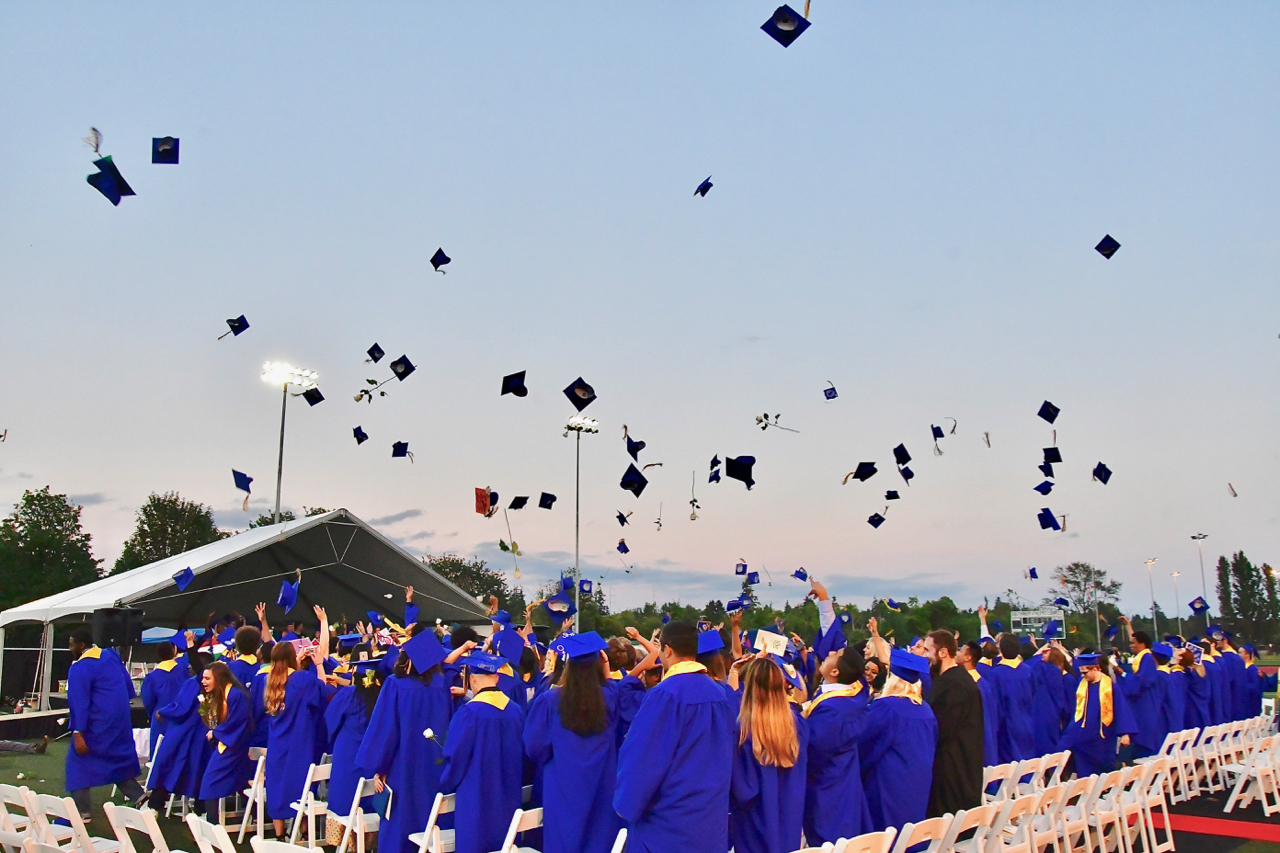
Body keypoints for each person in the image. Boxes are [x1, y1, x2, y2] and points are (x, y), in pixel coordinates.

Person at [614, 620, 735, 853]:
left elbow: (643, 760)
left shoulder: (665, 695)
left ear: (667, 650)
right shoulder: (720, 694)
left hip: (668, 827)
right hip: (710, 822)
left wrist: (626, 805)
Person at [356, 630, 472, 853]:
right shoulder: (440, 683)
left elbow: (386, 729)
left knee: (402, 820)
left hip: (404, 765)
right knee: (433, 815)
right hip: (435, 764)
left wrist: (379, 767)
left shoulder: (396, 684)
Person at [524, 632, 621, 853]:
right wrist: (605, 669)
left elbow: (534, 747)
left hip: (562, 785)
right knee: (599, 841)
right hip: (602, 785)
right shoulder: (611, 697)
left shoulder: (550, 700)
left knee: (563, 841)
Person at [440, 652, 525, 853]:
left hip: (476, 796)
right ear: (496, 678)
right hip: (509, 794)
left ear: (472, 680)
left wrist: (444, 781)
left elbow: (455, 756)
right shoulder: (516, 711)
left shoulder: (470, 713)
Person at [730, 656, 808, 853]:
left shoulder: (744, 730)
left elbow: (742, 789)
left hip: (754, 823)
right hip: (789, 818)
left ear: (750, 688)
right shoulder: (796, 725)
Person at [856, 647, 938, 831]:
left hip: (889, 784)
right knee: (910, 834)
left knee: (887, 835)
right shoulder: (925, 709)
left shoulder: (886, 707)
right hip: (918, 784)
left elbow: (864, 744)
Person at [65, 628, 143, 818]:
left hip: (96, 723)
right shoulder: (110, 655)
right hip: (119, 721)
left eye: (71, 644)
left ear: (82, 646)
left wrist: (78, 732)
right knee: (116, 760)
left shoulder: (80, 668)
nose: (70, 648)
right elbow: (128, 687)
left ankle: (82, 812)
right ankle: (141, 798)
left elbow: (80, 703)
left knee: (78, 765)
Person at [803, 644, 871, 846]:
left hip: (827, 787)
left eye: (836, 655)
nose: (830, 653)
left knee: (829, 842)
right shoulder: (855, 696)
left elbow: (813, 753)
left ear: (835, 672)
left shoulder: (833, 711)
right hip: (845, 780)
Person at [264, 642, 331, 837]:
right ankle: (304, 832)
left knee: (277, 787)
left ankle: (279, 835)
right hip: (299, 743)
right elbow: (323, 691)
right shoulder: (303, 679)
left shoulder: (270, 681)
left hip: (277, 745)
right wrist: (318, 664)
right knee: (301, 786)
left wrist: (298, 664)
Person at [923, 629, 983, 817]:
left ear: (942, 652)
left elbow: (942, 729)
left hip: (954, 770)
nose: (925, 656)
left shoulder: (954, 684)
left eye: (927, 650)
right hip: (958, 765)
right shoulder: (954, 679)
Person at [146, 651, 214, 808]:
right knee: (199, 768)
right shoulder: (215, 686)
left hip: (183, 731)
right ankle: (200, 807)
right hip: (202, 732)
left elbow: (181, 707)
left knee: (166, 766)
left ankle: (155, 805)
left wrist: (162, 711)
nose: (189, 667)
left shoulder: (193, 683)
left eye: (192, 665)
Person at [324, 662, 381, 843]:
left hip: (347, 754)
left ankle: (345, 842)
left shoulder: (348, 695)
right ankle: (370, 842)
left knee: (345, 798)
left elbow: (330, 720)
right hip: (373, 755)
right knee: (369, 798)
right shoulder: (382, 696)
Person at [1057, 654, 1138, 776]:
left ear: (1095, 669)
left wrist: (1125, 733)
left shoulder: (1110, 687)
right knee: (1081, 764)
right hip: (1083, 733)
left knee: (1104, 767)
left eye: (1085, 673)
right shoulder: (1082, 685)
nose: (1083, 676)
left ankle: (1105, 790)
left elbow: (1121, 708)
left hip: (1103, 734)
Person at [197, 660, 255, 815]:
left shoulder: (236, 695)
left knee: (210, 783)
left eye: (207, 679)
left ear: (219, 679)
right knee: (240, 782)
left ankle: (213, 826)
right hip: (227, 743)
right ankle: (260, 814)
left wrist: (216, 732)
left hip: (233, 746)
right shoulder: (220, 694)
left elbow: (237, 722)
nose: (203, 682)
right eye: (203, 678)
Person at [1115, 621, 1162, 758]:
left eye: (1133, 643)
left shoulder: (1147, 658)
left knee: (1144, 740)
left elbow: (1141, 681)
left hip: (1145, 705)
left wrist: (1122, 674)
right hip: (1142, 704)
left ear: (1142, 644)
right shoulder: (1141, 658)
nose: (1131, 646)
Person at [986, 633, 1035, 762]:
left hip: (1007, 727)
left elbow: (995, 706)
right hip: (1028, 723)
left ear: (1000, 649)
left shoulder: (996, 674)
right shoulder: (1028, 671)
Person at [141, 640, 188, 759]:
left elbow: (148, 702)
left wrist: (152, 715)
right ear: (173, 652)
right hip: (181, 716)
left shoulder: (152, 677)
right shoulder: (183, 670)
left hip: (161, 718)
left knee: (160, 755)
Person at [958, 641, 1000, 769]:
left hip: (977, 746)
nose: (957, 653)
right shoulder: (985, 685)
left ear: (967, 657)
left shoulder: (968, 687)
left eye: (961, 650)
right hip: (989, 744)